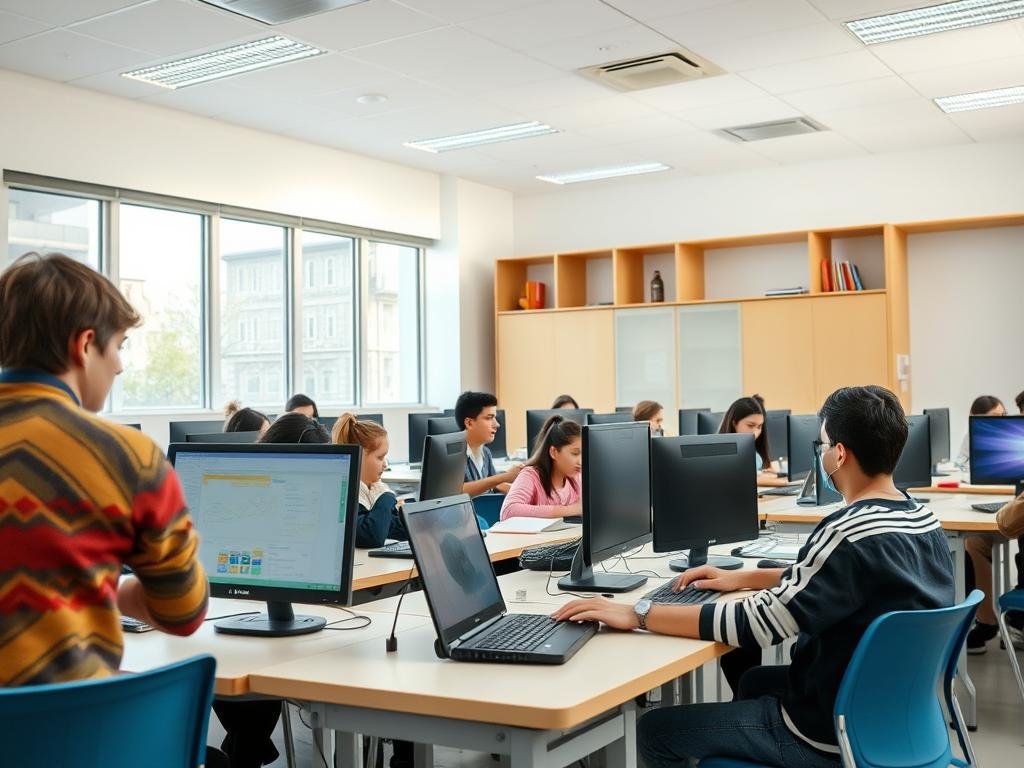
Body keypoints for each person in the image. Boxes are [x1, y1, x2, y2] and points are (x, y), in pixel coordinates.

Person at [554, 386, 955, 767]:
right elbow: (838, 579)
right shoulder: (921, 518)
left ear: (840, 454)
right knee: (753, 681)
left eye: (823, 444)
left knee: (656, 731)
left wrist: (639, 613)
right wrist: (743, 579)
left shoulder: (844, 530)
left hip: (826, 731)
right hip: (892, 713)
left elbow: (757, 625)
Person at [0, 252, 210, 683]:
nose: (119, 365)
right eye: (117, 346)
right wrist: (110, 589)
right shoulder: (129, 457)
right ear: (84, 345)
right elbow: (184, 611)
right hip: (78, 741)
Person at [212, 411, 329, 767]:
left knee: (250, 718)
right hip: (227, 617)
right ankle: (247, 750)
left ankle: (246, 751)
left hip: (254, 618)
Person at [332, 413, 406, 548]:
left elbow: (400, 531)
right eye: (380, 457)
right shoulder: (346, 493)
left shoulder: (368, 490)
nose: (385, 464)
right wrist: (385, 496)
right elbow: (373, 536)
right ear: (360, 456)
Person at [500, 415, 581, 520]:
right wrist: (572, 510)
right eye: (575, 453)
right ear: (554, 452)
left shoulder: (577, 477)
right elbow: (509, 511)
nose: (581, 461)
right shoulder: (531, 475)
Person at [455, 391, 523, 496]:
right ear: (469, 423)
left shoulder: (485, 452)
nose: (497, 424)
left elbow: (493, 484)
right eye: (489, 418)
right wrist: (504, 477)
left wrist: (518, 492)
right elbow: (457, 492)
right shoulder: (454, 455)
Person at [719, 396, 781, 481]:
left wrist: (767, 472)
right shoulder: (721, 453)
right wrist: (760, 478)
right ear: (734, 423)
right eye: (750, 425)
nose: (755, 432)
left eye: (759, 426)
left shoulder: (753, 450)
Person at [954, 394, 1005, 469]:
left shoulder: (1008, 437)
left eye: (1003, 415)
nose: (1001, 421)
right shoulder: (972, 434)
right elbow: (960, 461)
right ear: (977, 417)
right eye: (995, 416)